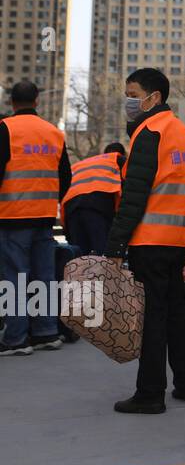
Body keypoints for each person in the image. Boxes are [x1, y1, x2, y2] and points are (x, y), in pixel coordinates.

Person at [105, 68, 185, 414]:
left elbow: (134, 194)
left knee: (153, 318)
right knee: (177, 312)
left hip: (150, 239)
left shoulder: (150, 132)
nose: (128, 101)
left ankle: (150, 394)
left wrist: (116, 244)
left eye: (133, 93)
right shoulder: (184, 134)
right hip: (178, 240)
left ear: (154, 97)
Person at [0, 81, 71, 356]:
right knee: (43, 275)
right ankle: (46, 332)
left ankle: (16, 338)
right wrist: (50, 201)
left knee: (14, 278)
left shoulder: (5, 128)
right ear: (37, 100)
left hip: (11, 216)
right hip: (43, 217)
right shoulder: (53, 133)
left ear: (11, 102)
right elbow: (66, 177)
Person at [56, 141, 126, 343]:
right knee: (101, 259)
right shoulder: (118, 161)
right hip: (96, 206)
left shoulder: (85, 163)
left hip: (72, 207)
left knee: (81, 261)